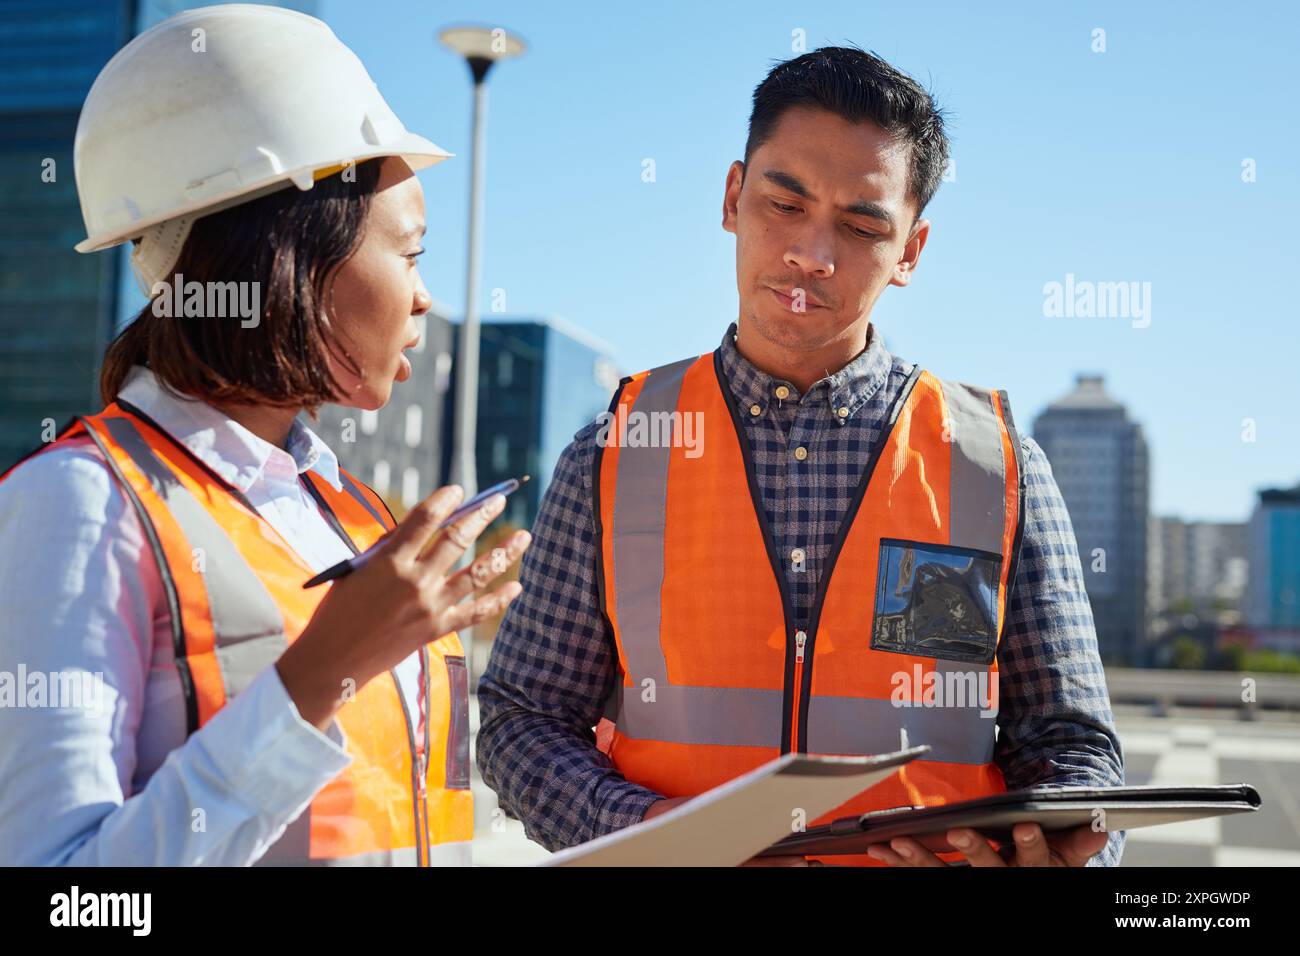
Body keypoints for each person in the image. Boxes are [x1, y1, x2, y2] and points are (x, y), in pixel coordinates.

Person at [477, 46, 1125, 867]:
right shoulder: (619, 449)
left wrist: (1061, 853)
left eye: (861, 226)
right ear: (731, 197)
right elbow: (520, 717)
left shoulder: (996, 467)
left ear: (911, 252)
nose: (811, 256)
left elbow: (1073, 749)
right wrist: (661, 841)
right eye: (784, 203)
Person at [0, 4, 530, 866]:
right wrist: (320, 673)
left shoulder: (348, 516)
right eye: (412, 253)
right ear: (295, 258)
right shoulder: (79, 506)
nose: (426, 298)